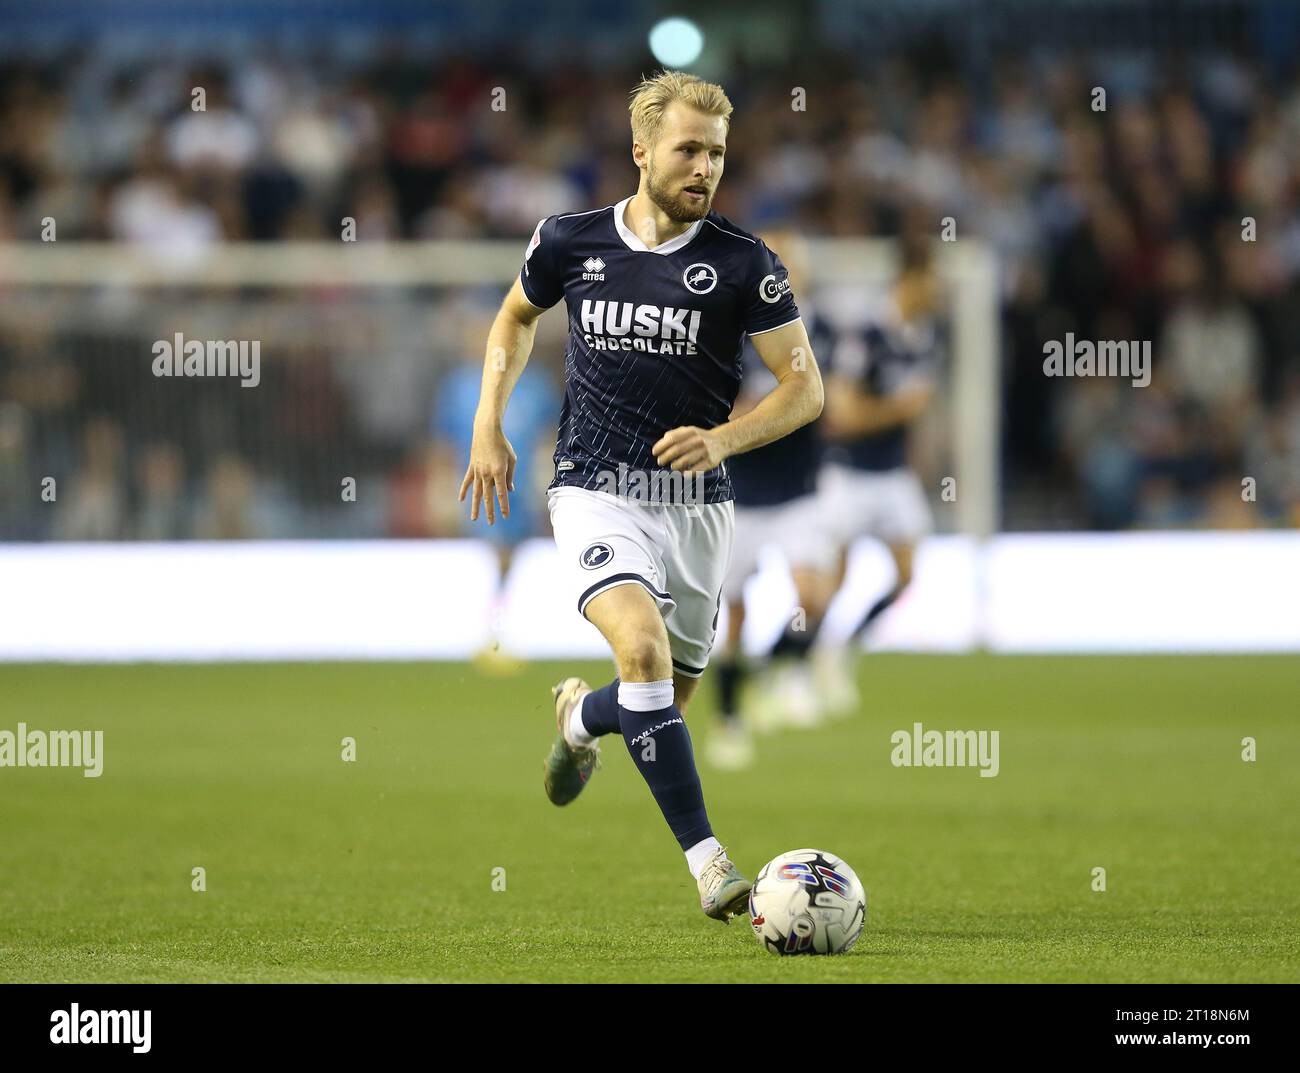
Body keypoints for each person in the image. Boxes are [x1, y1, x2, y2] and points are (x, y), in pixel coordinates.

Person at [458, 70, 823, 922]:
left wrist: (724, 439)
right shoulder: (568, 240)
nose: (705, 168)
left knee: (660, 699)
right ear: (641, 151)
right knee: (645, 657)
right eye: (689, 149)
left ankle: (580, 718)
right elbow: (514, 317)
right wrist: (488, 423)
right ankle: (711, 866)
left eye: (718, 154)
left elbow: (804, 389)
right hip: (595, 490)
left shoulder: (744, 263)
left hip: (697, 510)